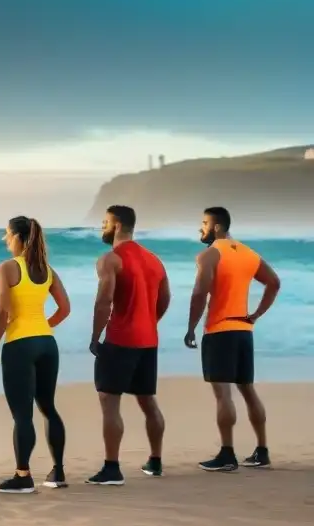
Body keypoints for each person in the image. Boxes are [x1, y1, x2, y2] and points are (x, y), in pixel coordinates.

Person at [185, 207, 280, 472]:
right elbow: (274, 283)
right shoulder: (249, 253)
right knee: (247, 389)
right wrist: (256, 315)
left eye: (204, 223)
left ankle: (227, 453)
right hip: (243, 331)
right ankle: (262, 451)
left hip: (219, 331)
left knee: (223, 393)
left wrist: (191, 327)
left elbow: (199, 293)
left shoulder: (210, 255)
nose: (200, 228)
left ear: (216, 227)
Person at [87, 205, 170, 485]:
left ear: (118, 225)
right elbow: (165, 299)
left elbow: (104, 301)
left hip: (121, 339)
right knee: (147, 401)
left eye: (105, 223)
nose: (102, 227)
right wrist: (149, 321)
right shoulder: (155, 260)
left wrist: (95, 336)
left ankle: (112, 468)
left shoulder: (111, 259)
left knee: (110, 402)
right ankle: (155, 461)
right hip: (148, 340)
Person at [0, 216, 71, 494]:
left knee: (22, 414)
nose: (5, 240)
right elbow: (65, 308)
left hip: (19, 345)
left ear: (18, 237)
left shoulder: (7, 269)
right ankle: (58, 472)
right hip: (47, 343)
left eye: (7, 235)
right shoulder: (47, 270)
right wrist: (43, 327)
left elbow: (1, 311)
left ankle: (23, 476)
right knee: (48, 407)